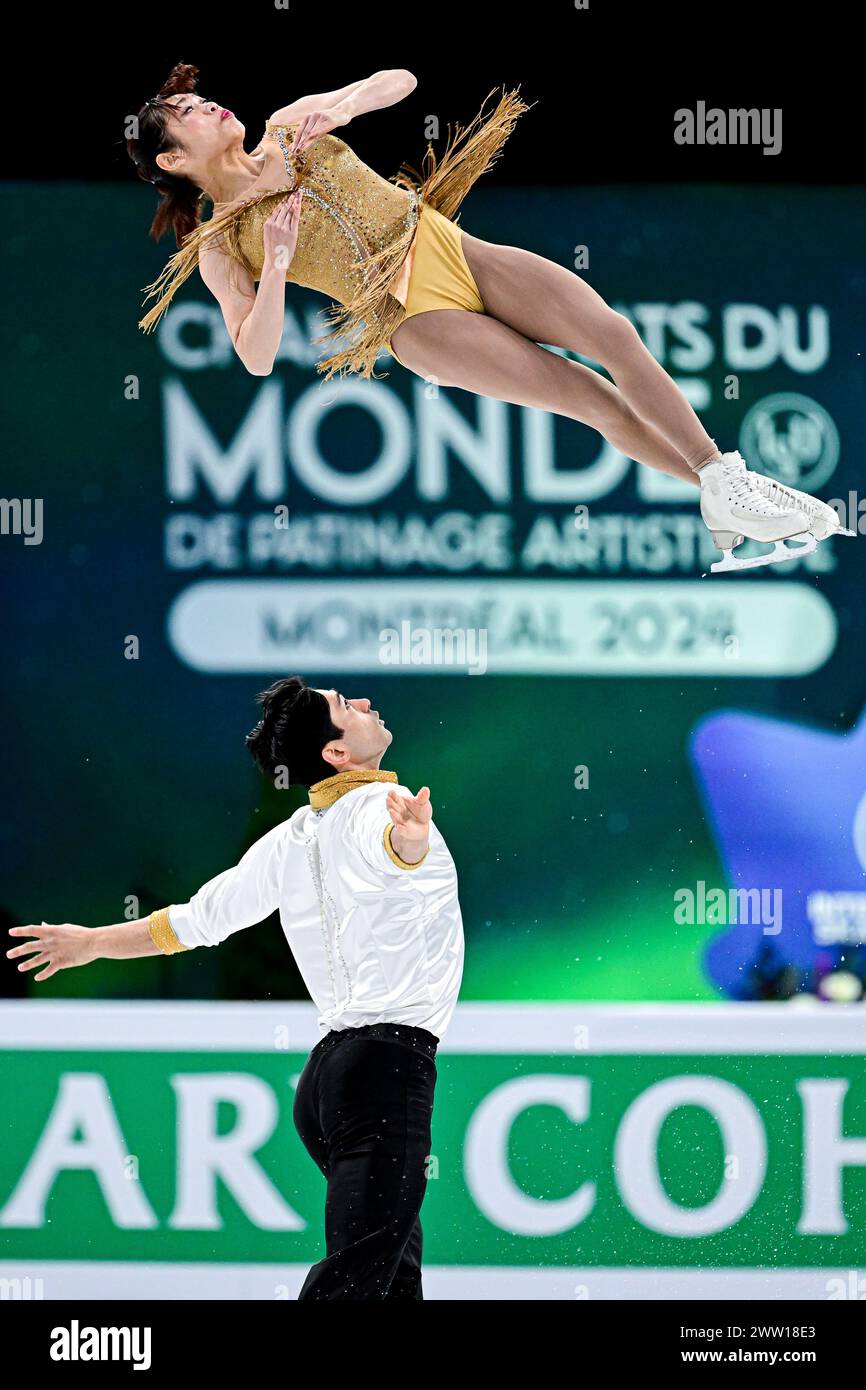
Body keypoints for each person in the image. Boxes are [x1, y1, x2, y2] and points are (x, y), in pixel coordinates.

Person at [129, 64, 851, 574]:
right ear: (172, 156)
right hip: (414, 317)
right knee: (584, 394)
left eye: (205, 99)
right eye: (189, 113)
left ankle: (727, 485)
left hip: (453, 247)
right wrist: (280, 261)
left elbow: (400, 80)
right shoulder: (223, 243)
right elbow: (255, 355)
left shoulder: (289, 129)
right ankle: (722, 494)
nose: (211, 107)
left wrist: (345, 108)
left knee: (615, 336)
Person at [7, 678, 464, 1300]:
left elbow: (193, 923)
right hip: (383, 1073)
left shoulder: (292, 838)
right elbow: (389, 850)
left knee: (391, 1280)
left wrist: (90, 943)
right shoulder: (380, 812)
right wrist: (408, 840)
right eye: (342, 706)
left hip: (333, 1081)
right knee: (358, 1282)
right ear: (335, 753)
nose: (361, 703)